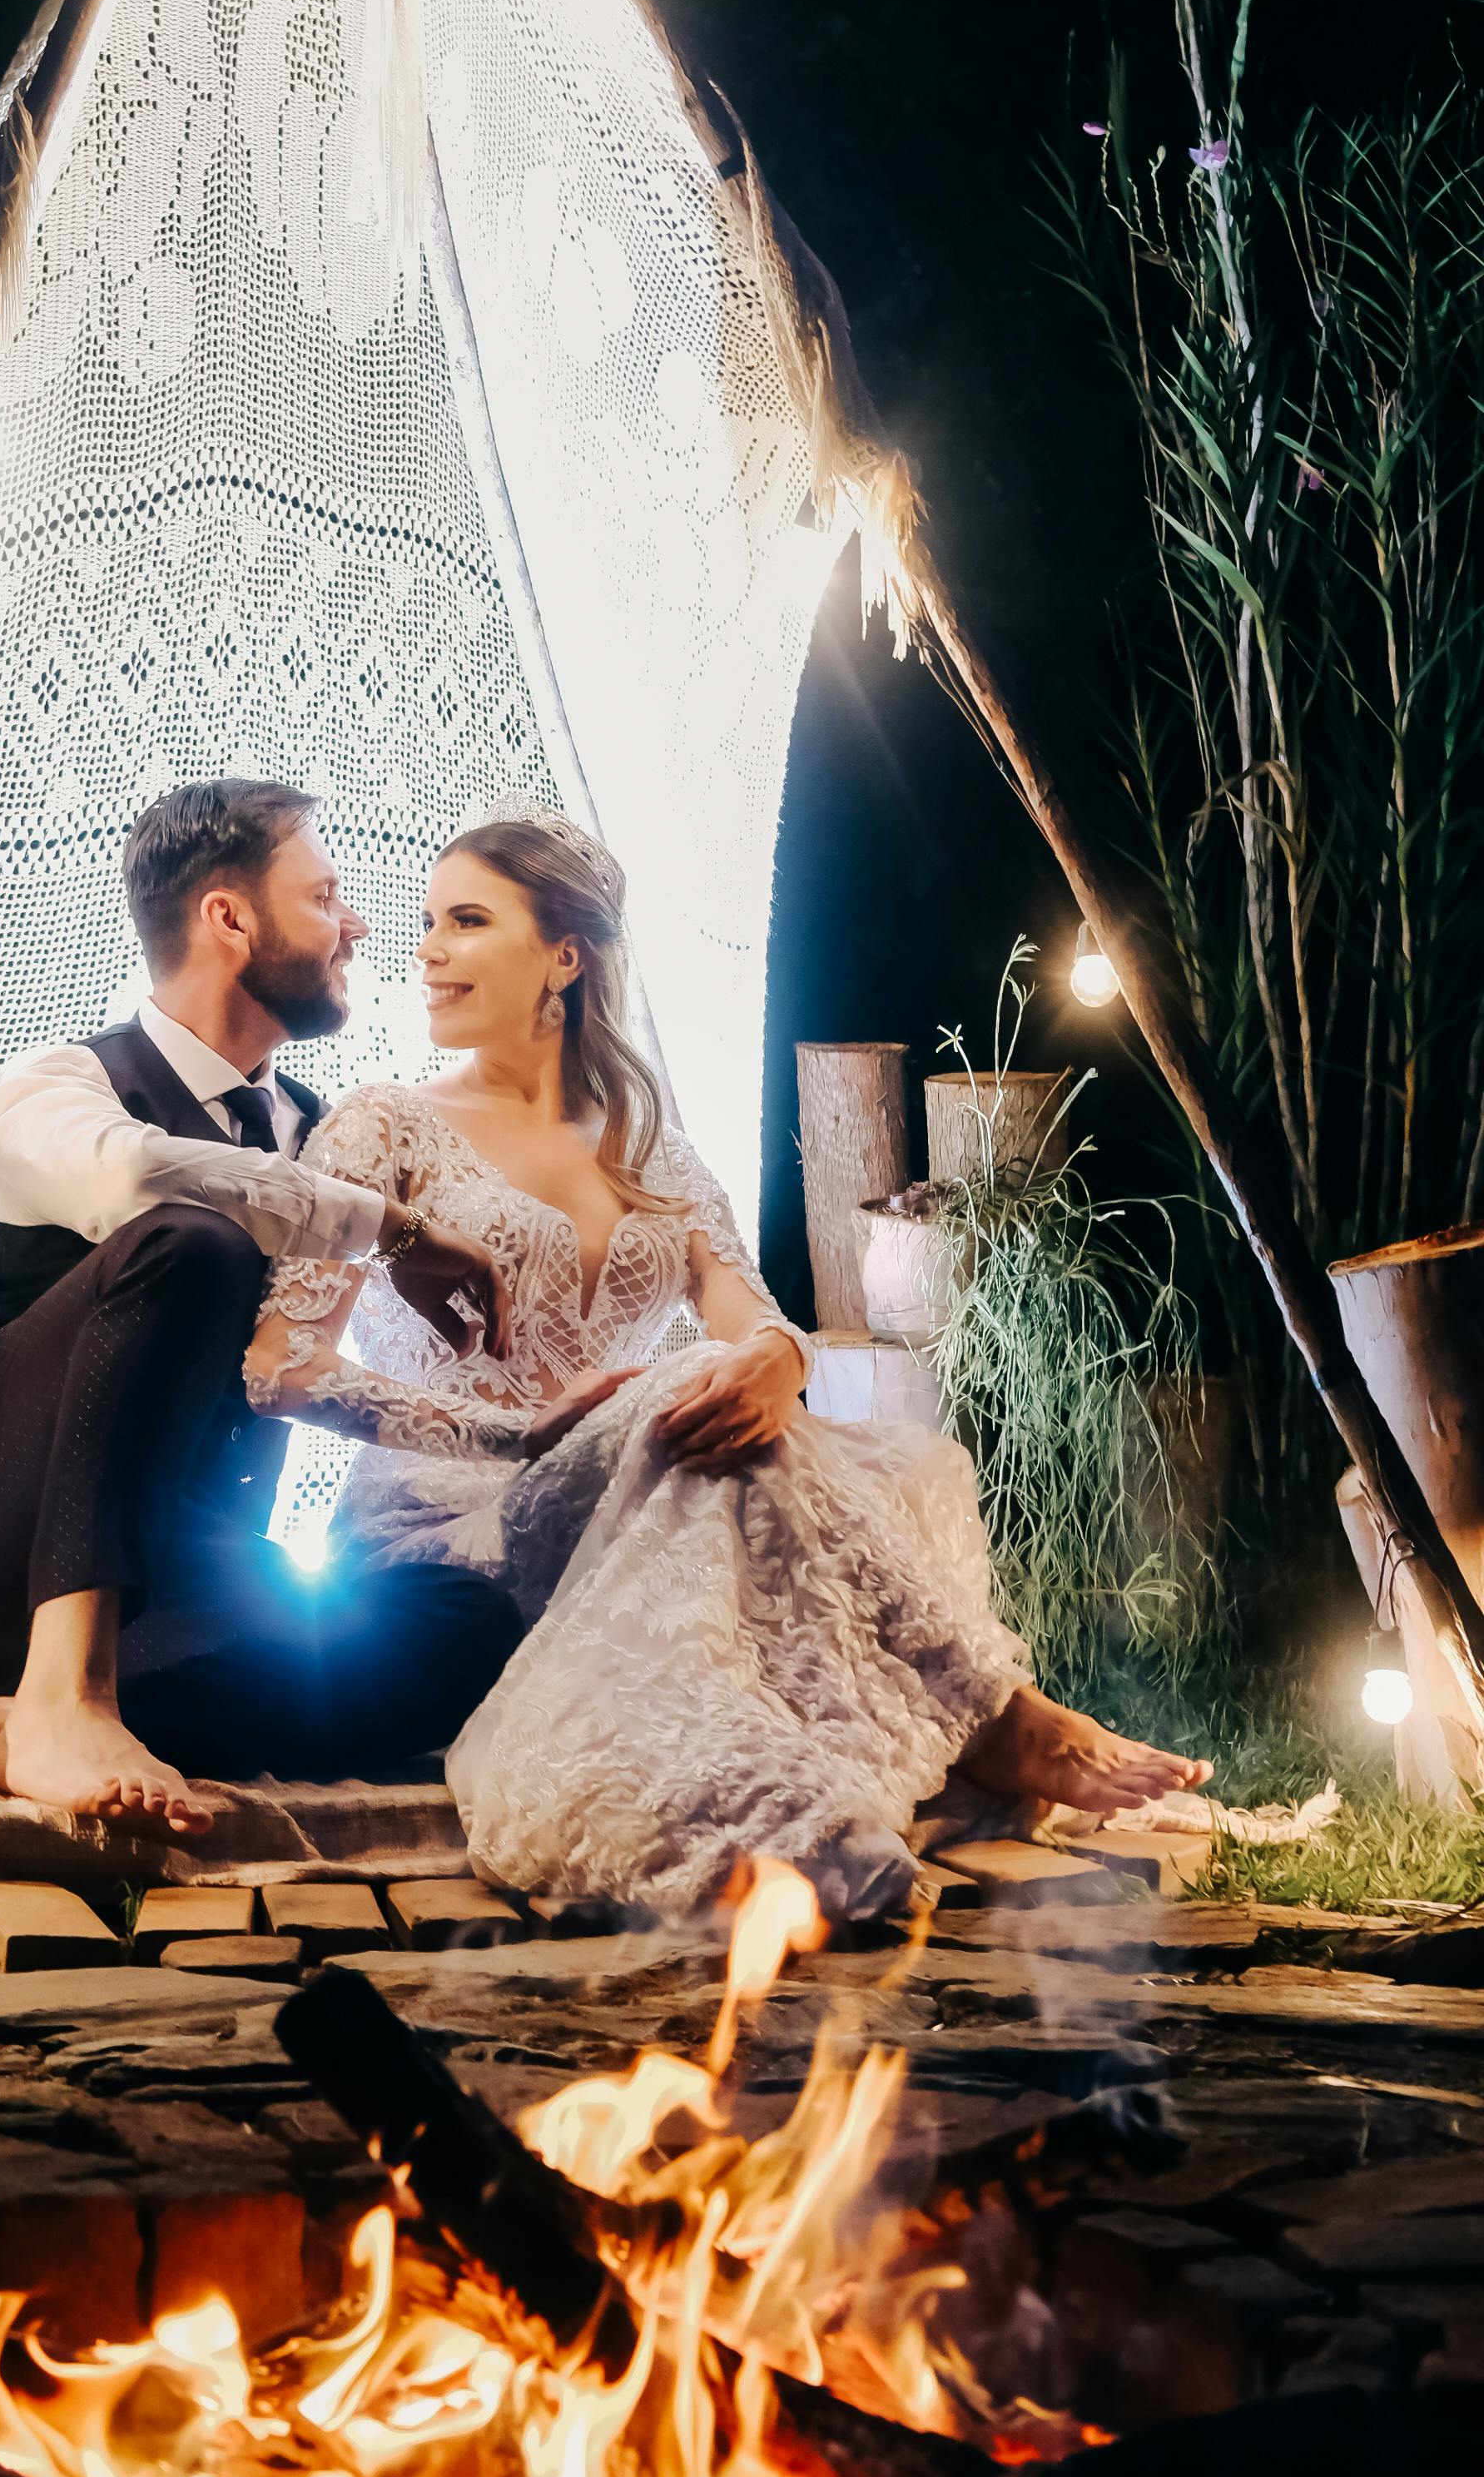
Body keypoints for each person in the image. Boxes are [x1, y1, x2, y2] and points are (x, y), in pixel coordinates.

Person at [245, 815, 1211, 1919]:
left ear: (566, 954)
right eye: (427, 923)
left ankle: (844, 1775)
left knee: (862, 1446)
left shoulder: (649, 1147)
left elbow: (752, 1315)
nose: (426, 949)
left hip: (627, 1493)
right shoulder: (384, 1127)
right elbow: (281, 1366)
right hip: (447, 1525)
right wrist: (511, 1433)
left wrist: (768, 1363)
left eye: (466, 921)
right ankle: (997, 1716)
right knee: (678, 1396)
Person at [0, 782, 611, 1835]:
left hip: (166, 1564)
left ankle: (1, 1724)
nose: (360, 927)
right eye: (328, 897)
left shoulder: (314, 1129)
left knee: (463, 1625)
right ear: (230, 918)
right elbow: (139, 1184)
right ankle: (64, 1694)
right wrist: (391, 1229)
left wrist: (514, 1433)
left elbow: (284, 1370)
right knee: (195, 1235)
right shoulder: (55, 1085)